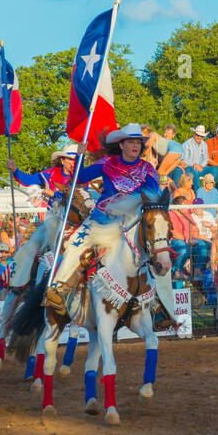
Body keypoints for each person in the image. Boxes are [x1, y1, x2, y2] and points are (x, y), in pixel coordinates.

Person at [44, 124, 160, 312]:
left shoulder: (147, 169)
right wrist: (80, 157)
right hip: (102, 218)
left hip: (132, 223)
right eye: (131, 141)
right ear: (121, 145)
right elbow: (80, 177)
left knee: (161, 250)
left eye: (138, 142)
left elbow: (155, 194)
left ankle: (158, 304)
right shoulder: (108, 162)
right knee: (75, 243)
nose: (135, 145)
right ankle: (58, 289)